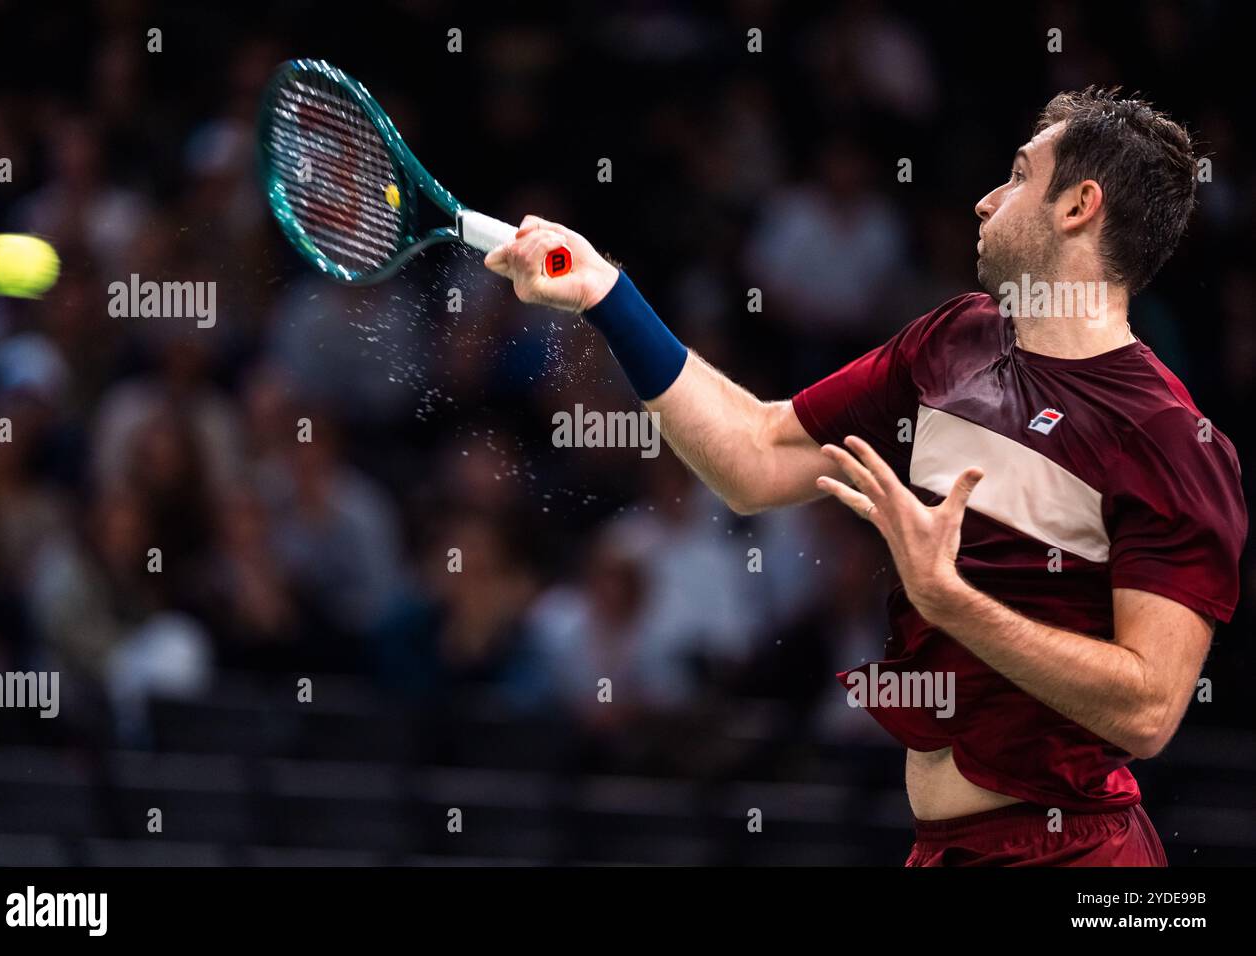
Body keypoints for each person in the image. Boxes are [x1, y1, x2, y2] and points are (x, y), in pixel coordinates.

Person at [483, 88, 1247, 867]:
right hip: (941, 848)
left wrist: (951, 600)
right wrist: (608, 295)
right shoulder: (957, 340)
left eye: (1017, 176)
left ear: (1079, 206)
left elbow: (1149, 709)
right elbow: (756, 454)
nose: (985, 202)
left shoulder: (1167, 438)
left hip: (1074, 857)